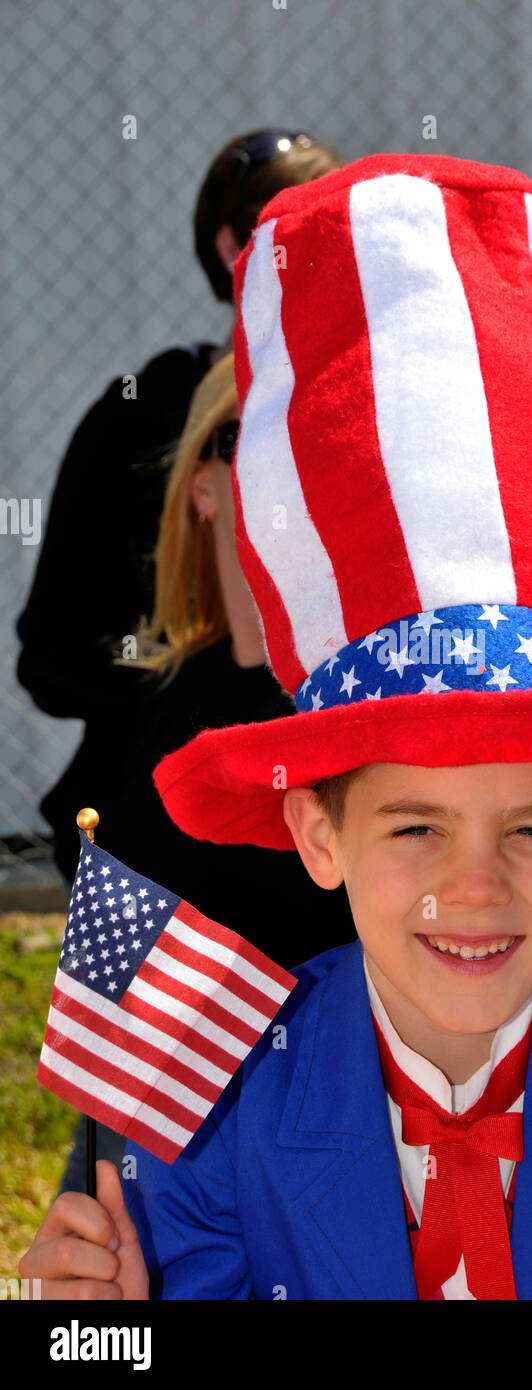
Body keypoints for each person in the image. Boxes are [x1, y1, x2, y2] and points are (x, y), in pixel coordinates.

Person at [19, 152, 532, 1300]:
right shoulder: (218, 1091)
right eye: (414, 829)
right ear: (317, 834)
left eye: (531, 829)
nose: (472, 886)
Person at [54, 351, 356, 1195]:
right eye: (253, 436)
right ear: (203, 482)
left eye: (310, 439)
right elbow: (117, 1020)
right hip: (171, 1113)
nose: (285, 463)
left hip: (349, 1116)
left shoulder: (361, 700)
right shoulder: (156, 703)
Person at [15, 129, 342, 886]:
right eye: (290, 232)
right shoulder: (147, 416)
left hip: (344, 802)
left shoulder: (378, 406)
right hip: (171, 812)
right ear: (232, 249)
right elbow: (54, 658)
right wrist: (202, 692)